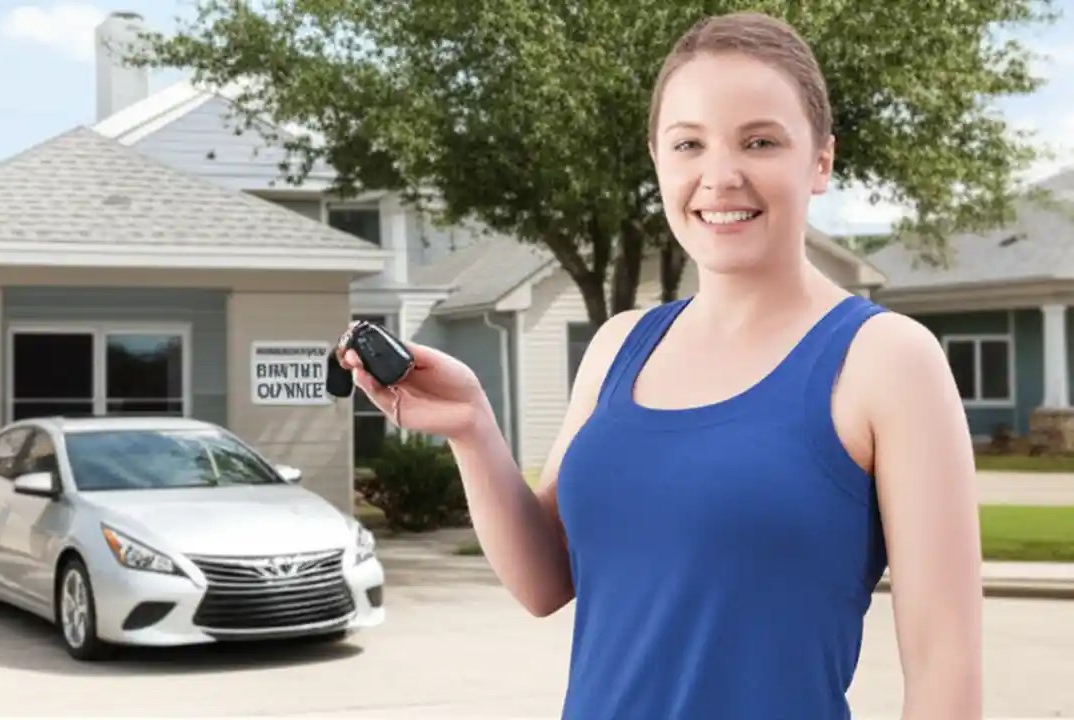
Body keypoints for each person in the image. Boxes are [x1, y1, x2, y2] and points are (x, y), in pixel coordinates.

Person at [335, 11, 983, 719]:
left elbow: (943, 663)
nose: (721, 176)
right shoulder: (617, 347)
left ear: (820, 160)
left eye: (760, 141)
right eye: (689, 145)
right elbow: (546, 582)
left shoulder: (887, 360)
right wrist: (473, 428)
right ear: (658, 160)